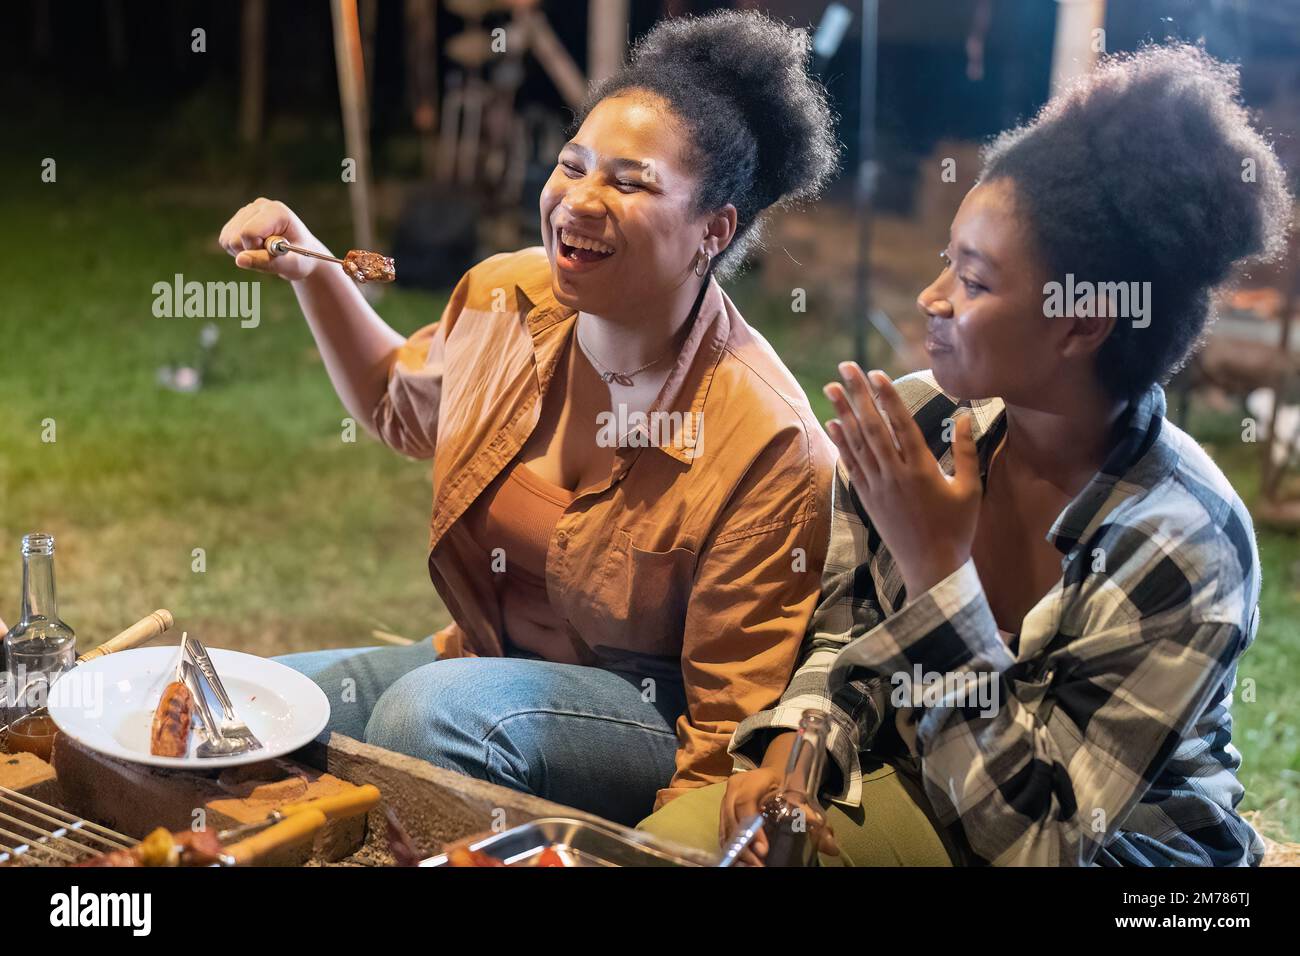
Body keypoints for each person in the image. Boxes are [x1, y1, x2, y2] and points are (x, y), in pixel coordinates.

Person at [640, 44, 1290, 865]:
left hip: (1117, 862)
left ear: (1083, 322)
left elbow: (1040, 842)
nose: (932, 298)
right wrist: (794, 764)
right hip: (924, 783)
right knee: (673, 850)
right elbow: (848, 642)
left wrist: (940, 572)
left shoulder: (1182, 543)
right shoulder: (919, 423)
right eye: (950, 261)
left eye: (976, 283)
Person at [216, 11, 839, 826]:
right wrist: (309, 267)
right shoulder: (507, 297)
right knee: (240, 708)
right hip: (476, 669)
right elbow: (394, 401)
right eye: (571, 166)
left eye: (629, 181)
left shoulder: (769, 441)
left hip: (651, 721)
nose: (578, 201)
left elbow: (725, 732)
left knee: (429, 716)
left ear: (713, 231)